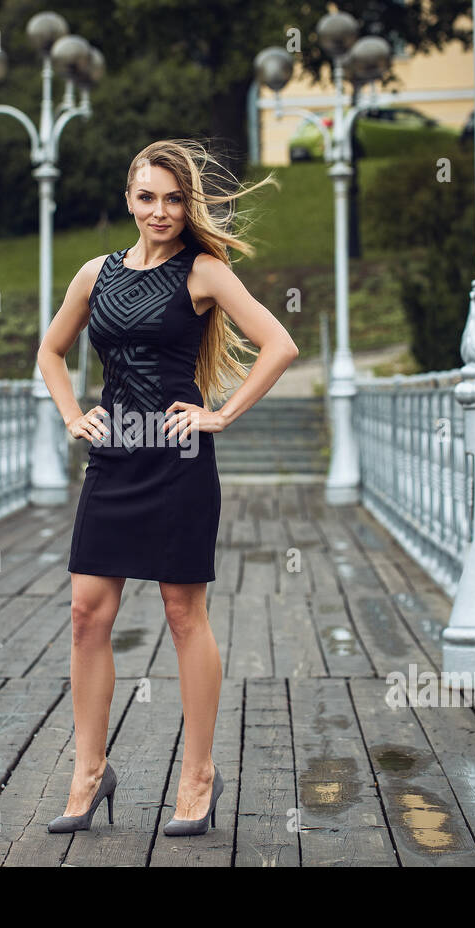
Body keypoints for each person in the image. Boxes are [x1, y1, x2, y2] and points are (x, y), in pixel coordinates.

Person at [36, 139, 299, 836]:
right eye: (148, 197)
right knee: (86, 614)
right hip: (115, 460)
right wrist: (72, 414)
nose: (160, 211)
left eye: (174, 199)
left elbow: (280, 345)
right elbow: (50, 351)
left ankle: (199, 774)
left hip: (179, 460)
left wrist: (221, 414)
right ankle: (90, 772)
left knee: (186, 616)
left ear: (189, 206)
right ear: (129, 198)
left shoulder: (205, 271)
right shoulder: (96, 274)